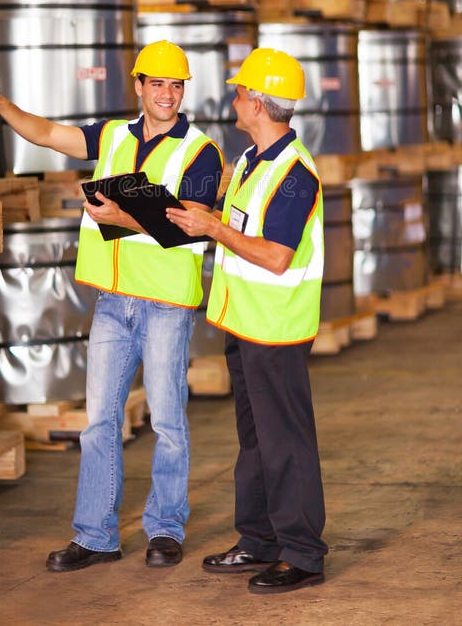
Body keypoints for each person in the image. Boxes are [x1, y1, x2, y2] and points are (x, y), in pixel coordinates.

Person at [0, 39, 223, 571]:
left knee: (169, 421)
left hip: (166, 306)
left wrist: (120, 219)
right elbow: (48, 134)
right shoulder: (111, 136)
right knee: (99, 422)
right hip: (112, 303)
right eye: (158, 84)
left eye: (176, 86)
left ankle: (166, 529)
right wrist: (1, 103)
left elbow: (193, 229)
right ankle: (96, 536)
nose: (168, 95)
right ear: (139, 86)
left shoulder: (201, 151)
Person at [166, 47, 328, 594]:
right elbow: (238, 229)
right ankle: (259, 540)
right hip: (244, 323)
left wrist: (213, 229)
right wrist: (204, 219)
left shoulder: (293, 173)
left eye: (239, 92)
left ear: (258, 103)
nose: (234, 99)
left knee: (286, 441)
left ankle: (302, 553)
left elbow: (276, 255)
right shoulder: (250, 161)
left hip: (276, 329)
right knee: (255, 440)